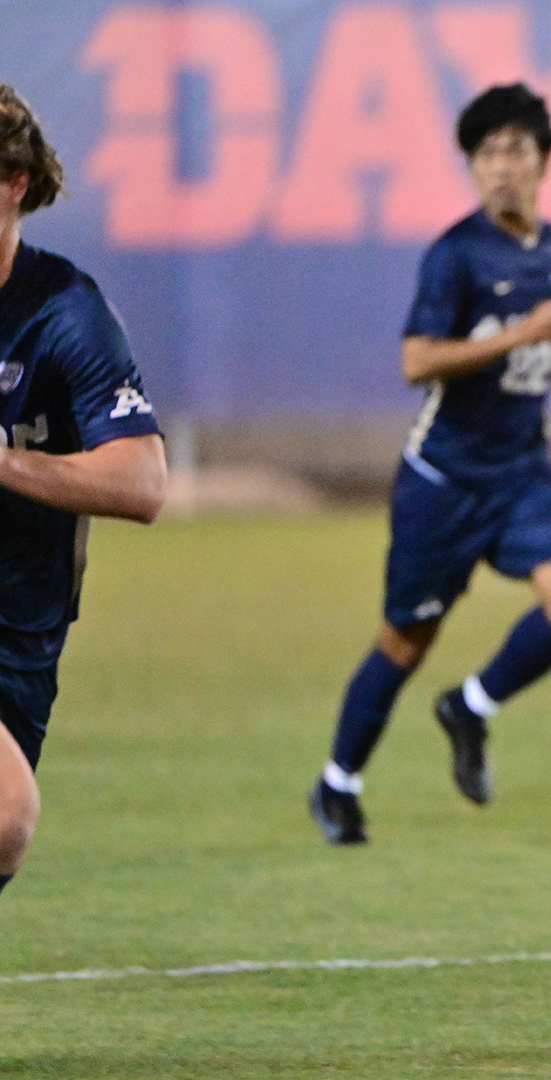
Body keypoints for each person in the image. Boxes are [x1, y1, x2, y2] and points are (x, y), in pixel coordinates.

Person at [310, 83, 551, 845]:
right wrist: (524, 333)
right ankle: (338, 784)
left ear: (543, 160)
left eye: (517, 151)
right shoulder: (455, 254)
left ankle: (470, 707)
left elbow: (546, 329)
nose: (502, 167)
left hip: (524, 469)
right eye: (487, 153)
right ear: (471, 166)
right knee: (406, 641)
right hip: (446, 479)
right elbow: (417, 361)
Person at [0, 84, 168, 896]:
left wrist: (2, 464)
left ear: (15, 183)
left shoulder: (64, 313)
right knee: (5, 813)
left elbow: (142, 482)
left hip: (21, 637)